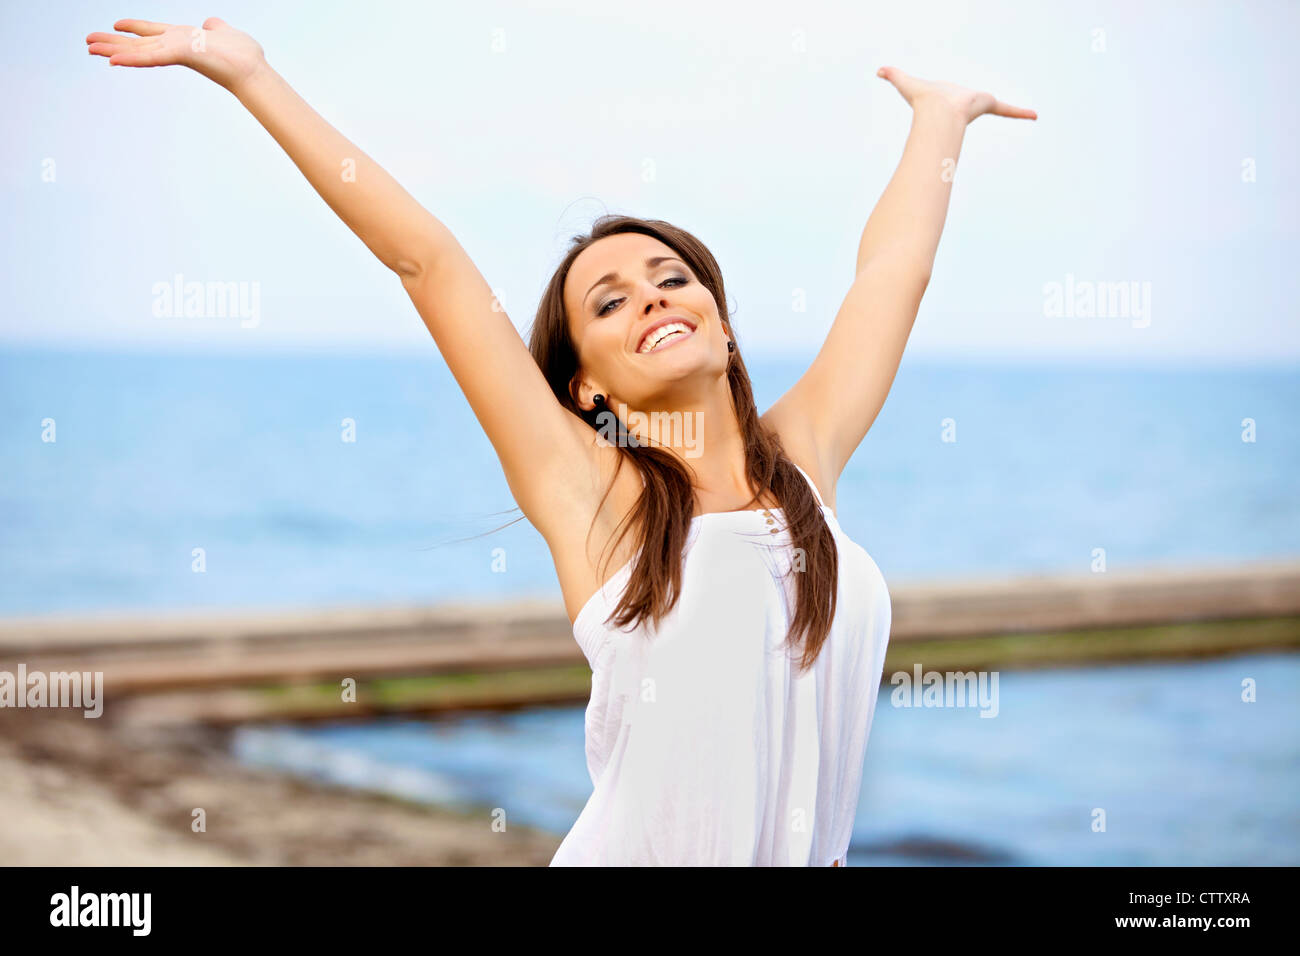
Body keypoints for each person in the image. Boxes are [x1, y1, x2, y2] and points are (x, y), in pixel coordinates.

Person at [86, 17, 1036, 865]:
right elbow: (428, 262)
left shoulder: (802, 460)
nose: (653, 297)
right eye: (610, 302)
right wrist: (251, 76)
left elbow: (892, 274)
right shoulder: (591, 491)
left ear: (722, 322)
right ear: (586, 387)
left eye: (672, 278)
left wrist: (939, 120)